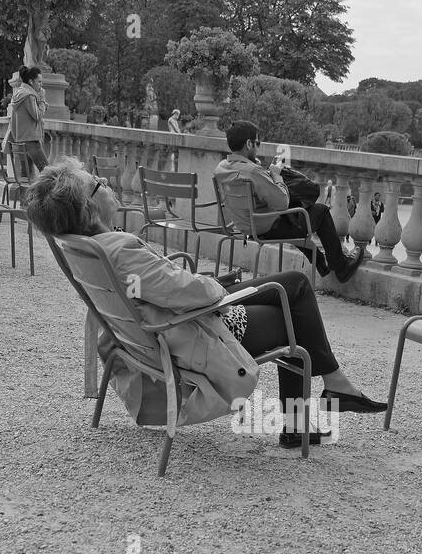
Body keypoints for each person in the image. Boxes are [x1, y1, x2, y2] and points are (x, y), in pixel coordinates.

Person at [24, 158, 387, 446]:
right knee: (294, 306)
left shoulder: (83, 247)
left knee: (292, 286)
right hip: (195, 332)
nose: (106, 185)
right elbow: (190, 293)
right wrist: (217, 288)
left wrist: (213, 287)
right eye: (98, 184)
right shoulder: (121, 251)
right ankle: (316, 406)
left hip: (161, 329)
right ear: (89, 209)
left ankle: (326, 396)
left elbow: (167, 289)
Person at [214, 120, 364, 282]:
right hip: (267, 228)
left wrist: (261, 171)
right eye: (257, 143)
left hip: (245, 227)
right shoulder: (252, 172)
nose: (258, 147)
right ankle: (342, 268)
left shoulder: (222, 168)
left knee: (298, 215)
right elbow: (282, 203)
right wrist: (276, 175)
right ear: (249, 144)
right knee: (319, 211)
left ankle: (321, 263)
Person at [7, 65, 48, 172]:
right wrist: (42, 100)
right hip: (31, 141)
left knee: (26, 174)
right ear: (31, 81)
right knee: (48, 173)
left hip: (21, 140)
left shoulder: (19, 93)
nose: (41, 85)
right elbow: (38, 116)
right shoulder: (29, 95)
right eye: (39, 82)